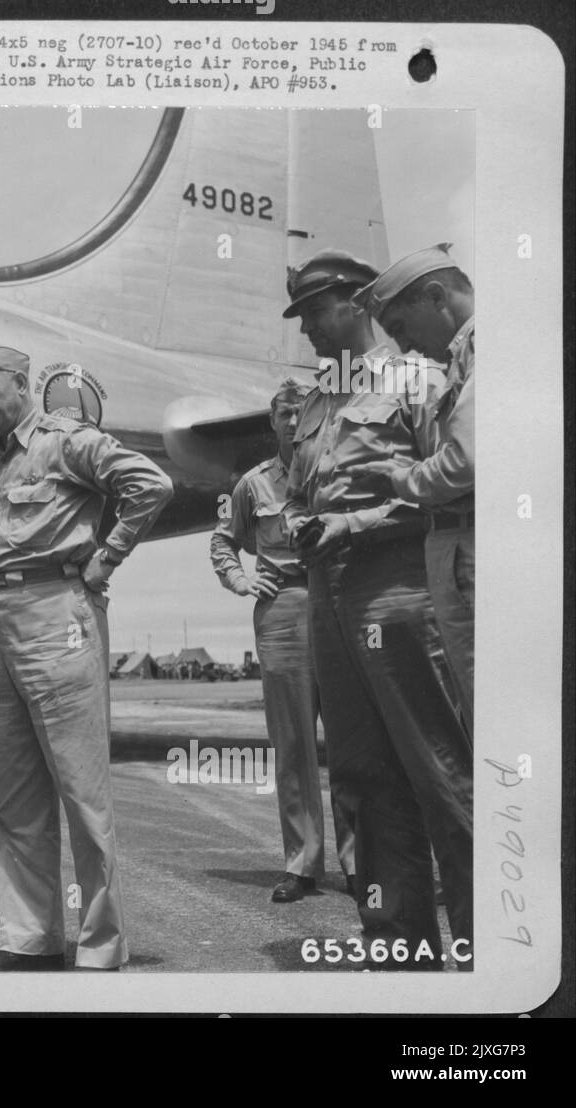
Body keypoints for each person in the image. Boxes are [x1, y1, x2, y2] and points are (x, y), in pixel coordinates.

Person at [279, 250, 472, 968]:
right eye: (298, 317)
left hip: (397, 591)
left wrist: (358, 524)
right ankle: (400, 953)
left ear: (356, 303)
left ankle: (490, 959)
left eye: (315, 312)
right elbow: (307, 491)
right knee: (361, 777)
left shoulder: (418, 379)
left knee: (441, 769)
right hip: (329, 595)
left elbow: (449, 488)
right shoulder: (316, 400)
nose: (305, 331)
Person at [0, 343, 173, 971]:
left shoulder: (64, 440)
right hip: (2, 622)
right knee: (16, 791)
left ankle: (101, 943)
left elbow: (151, 483)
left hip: (60, 616)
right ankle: (29, 938)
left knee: (81, 790)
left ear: (23, 385)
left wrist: (106, 558)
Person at [210, 378, 357, 903]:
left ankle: (360, 863)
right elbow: (223, 543)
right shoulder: (251, 485)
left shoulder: (339, 468)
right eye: (285, 414)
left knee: (351, 741)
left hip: (338, 602)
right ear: (271, 423)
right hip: (284, 611)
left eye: (303, 413)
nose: (295, 424)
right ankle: (302, 864)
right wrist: (241, 580)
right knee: (292, 744)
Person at [350, 245, 475, 737]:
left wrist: (396, 478)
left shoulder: (484, 347)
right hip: (459, 546)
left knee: (487, 710)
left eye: (401, 328)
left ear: (435, 294)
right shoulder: (465, 354)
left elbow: (464, 460)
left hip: (470, 548)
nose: (404, 348)